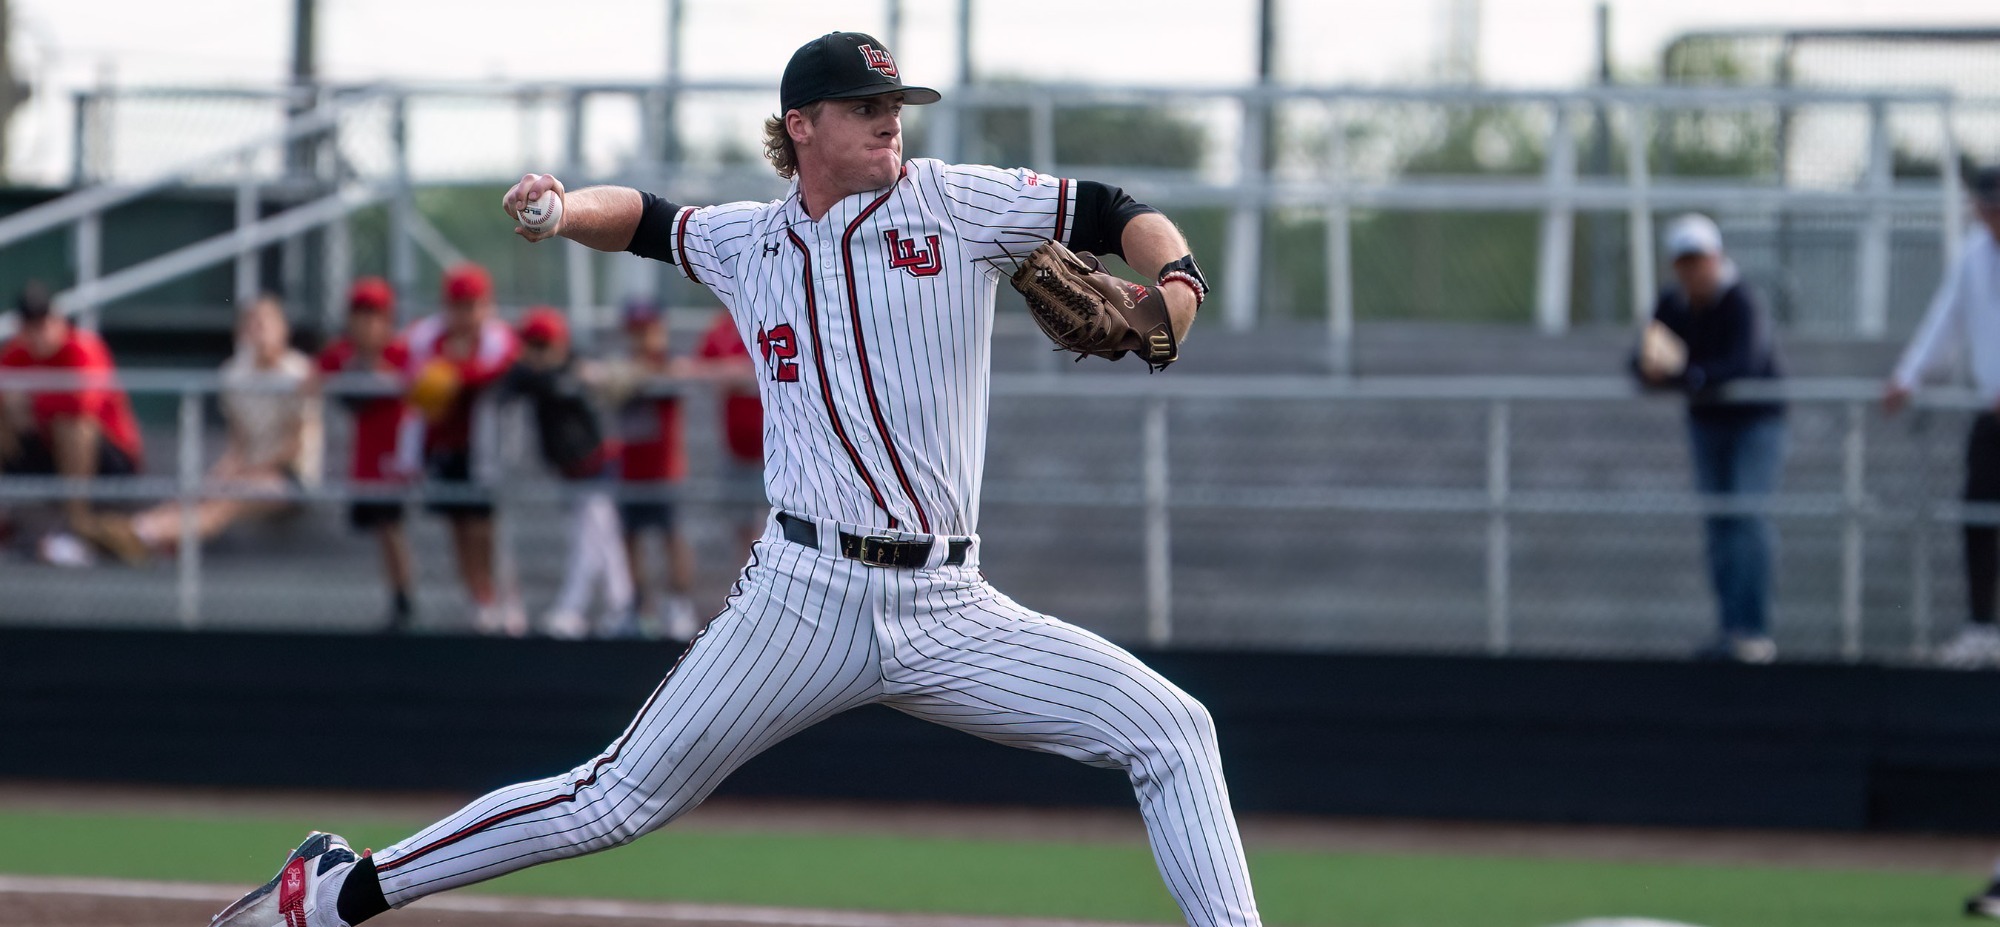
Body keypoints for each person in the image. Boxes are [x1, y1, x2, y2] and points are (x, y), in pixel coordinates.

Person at [208, 31, 1254, 927]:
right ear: (801, 124)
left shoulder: (956, 203)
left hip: (949, 605)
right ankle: (336, 895)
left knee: (1173, 731)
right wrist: (564, 210)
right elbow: (650, 219)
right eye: (865, 104)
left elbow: (1111, 206)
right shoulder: (749, 241)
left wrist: (1177, 276)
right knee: (612, 800)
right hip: (801, 598)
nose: (891, 119)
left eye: (897, 103)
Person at [1634, 213, 1786, 664]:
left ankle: (1753, 630)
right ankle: (1730, 630)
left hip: (1756, 422)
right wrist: (1671, 374)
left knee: (1747, 517)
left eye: (1699, 260)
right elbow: (1644, 362)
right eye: (1684, 262)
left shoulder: (1741, 300)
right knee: (1720, 526)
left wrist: (1687, 374)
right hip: (1708, 424)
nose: (1693, 270)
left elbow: (1742, 363)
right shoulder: (1674, 304)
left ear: (1716, 259)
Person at [92, 296, 321, 562]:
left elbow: (293, 447)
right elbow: (240, 443)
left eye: (267, 323)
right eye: (254, 323)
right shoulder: (234, 375)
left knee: (228, 499)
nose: (261, 331)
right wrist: (220, 476)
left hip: (290, 479)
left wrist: (240, 476)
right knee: (200, 490)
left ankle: (142, 533)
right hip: (249, 471)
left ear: (283, 328)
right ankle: (135, 531)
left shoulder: (300, 374)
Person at [1888, 166, 2000, 671]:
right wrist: (1909, 376)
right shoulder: (1975, 256)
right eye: (1988, 207)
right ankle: (1981, 628)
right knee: (1977, 515)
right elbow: (1946, 319)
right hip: (1991, 413)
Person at [400, 263, 521, 635]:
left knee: (485, 528)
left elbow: (500, 366)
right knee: (457, 526)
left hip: (485, 450)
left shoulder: (496, 337)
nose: (465, 314)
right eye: (458, 305)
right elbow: (404, 366)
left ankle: (503, 599)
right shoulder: (428, 335)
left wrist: (450, 373)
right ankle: (479, 600)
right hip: (442, 446)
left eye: (473, 305)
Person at [501, 307, 634, 639]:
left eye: (544, 345)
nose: (537, 352)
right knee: (599, 541)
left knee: (593, 542)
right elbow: (509, 386)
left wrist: (562, 372)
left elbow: (567, 380)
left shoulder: (573, 369)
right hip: (573, 472)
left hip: (596, 468)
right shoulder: (530, 376)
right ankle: (618, 608)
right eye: (532, 345)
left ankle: (579, 609)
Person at [0, 281, 144, 561]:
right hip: (47, 455)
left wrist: (30, 402)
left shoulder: (83, 347)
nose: (39, 332)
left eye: (43, 322)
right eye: (31, 325)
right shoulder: (17, 352)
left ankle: (78, 522)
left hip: (110, 462)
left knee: (73, 425)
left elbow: (82, 404)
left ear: (58, 319)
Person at [319, 278, 419, 632]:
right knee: (380, 525)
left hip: (401, 454)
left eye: (374, 314)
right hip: (362, 456)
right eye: (359, 314)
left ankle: (404, 599)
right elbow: (316, 375)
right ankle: (398, 598)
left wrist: (382, 372)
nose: (366, 323)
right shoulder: (341, 354)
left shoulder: (402, 352)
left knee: (391, 523)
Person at [605, 298, 699, 639]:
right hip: (630, 469)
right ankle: (638, 608)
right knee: (630, 540)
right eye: (636, 331)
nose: (642, 338)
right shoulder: (623, 364)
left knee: (671, 537)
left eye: (648, 330)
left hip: (664, 471)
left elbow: (673, 375)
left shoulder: (669, 362)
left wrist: (633, 375)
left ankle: (679, 605)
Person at [694, 305, 765, 571]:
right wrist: (731, 373)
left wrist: (746, 374)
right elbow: (700, 368)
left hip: (780, 451)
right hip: (739, 449)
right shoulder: (723, 327)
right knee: (743, 528)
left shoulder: (774, 314)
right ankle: (750, 584)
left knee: (776, 527)